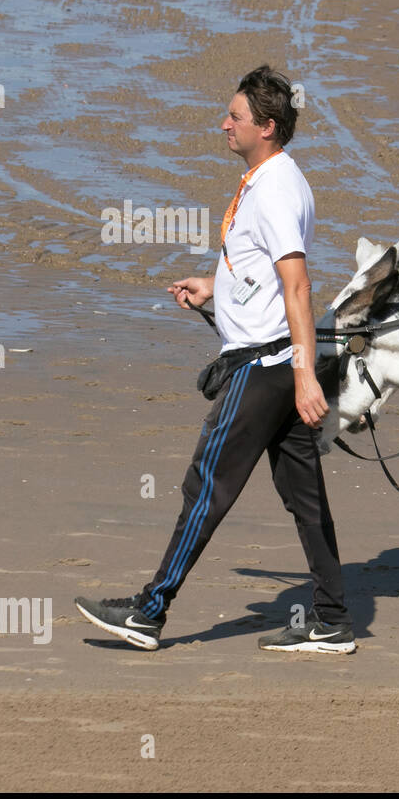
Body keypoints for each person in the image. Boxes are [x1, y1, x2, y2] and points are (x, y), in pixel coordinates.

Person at [75, 65, 356, 654]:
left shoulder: (276, 187)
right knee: (305, 497)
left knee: (207, 485)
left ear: (268, 127)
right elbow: (262, 271)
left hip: (266, 368)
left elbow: (298, 286)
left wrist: (306, 375)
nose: (224, 124)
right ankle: (331, 620)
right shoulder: (269, 178)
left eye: (237, 117)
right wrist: (215, 287)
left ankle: (149, 613)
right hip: (275, 362)